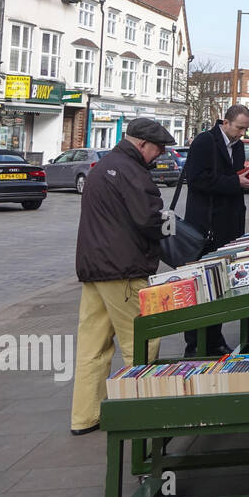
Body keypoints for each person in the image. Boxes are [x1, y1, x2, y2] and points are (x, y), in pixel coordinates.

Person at [70, 118, 177, 435]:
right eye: (157, 149)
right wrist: (168, 219)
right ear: (142, 143)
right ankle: (140, 413)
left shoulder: (104, 165)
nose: (159, 156)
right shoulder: (131, 171)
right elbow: (149, 218)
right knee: (142, 341)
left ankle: (85, 417)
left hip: (95, 268)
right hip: (123, 269)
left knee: (93, 346)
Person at [181, 105, 249, 356]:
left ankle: (215, 339)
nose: (242, 133)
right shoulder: (204, 142)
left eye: (246, 129)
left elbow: (233, 177)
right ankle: (195, 344)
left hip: (229, 226)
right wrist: (235, 182)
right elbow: (197, 180)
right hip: (205, 226)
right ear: (226, 123)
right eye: (240, 128)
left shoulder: (237, 146)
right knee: (201, 287)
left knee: (221, 287)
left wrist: (246, 179)